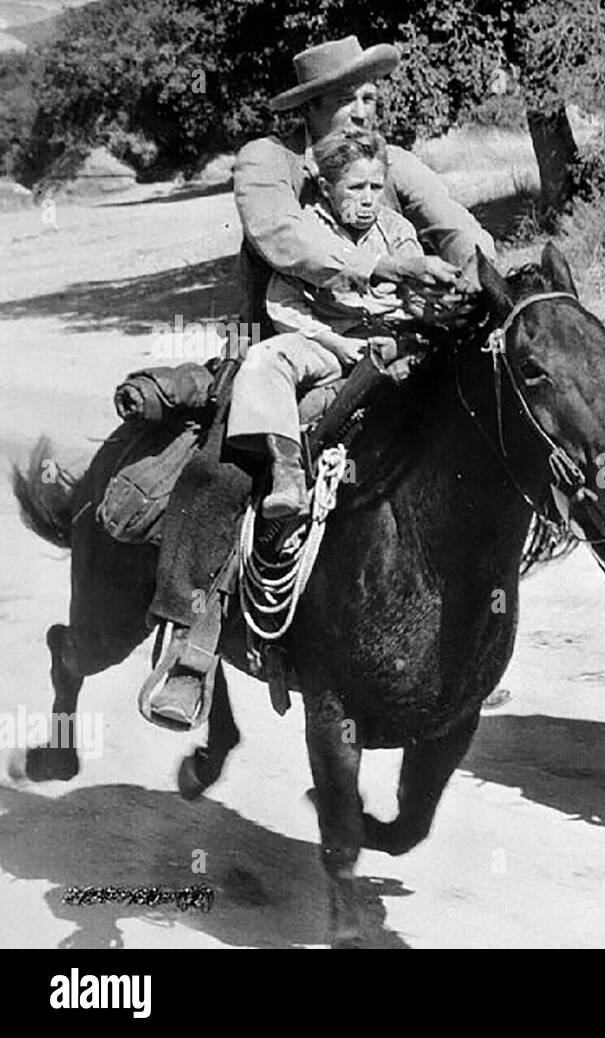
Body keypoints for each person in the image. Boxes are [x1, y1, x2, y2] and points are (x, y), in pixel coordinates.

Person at [141, 36, 496, 730]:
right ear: (313, 108)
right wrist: (380, 272)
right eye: (349, 99)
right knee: (227, 462)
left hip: (384, 337)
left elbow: (457, 227)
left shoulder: (390, 165)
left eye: (371, 97)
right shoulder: (266, 162)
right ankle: (194, 638)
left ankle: (462, 639)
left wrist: (488, 282)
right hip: (277, 334)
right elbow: (281, 238)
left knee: (471, 433)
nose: (365, 111)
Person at [227, 126, 421, 517]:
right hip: (325, 341)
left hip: (388, 341)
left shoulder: (397, 230)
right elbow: (283, 304)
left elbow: (416, 293)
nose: (367, 200)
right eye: (354, 188)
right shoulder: (308, 230)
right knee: (265, 359)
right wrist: (336, 343)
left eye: (375, 187)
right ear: (326, 187)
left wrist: (403, 328)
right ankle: (287, 473)